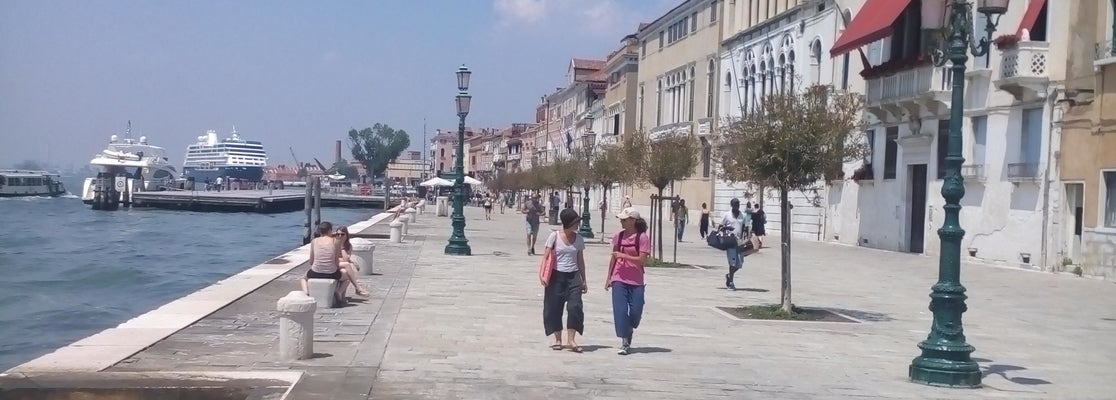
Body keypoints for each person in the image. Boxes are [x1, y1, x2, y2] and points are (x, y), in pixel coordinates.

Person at [540, 208, 588, 353]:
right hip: (556, 276)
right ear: (568, 223)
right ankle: (558, 340)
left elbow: (580, 260)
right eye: (575, 222)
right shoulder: (554, 237)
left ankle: (571, 340)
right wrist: (542, 275)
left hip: (573, 277)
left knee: (575, 307)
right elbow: (546, 257)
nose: (577, 225)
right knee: (554, 308)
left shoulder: (579, 239)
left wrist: (584, 279)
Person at [605, 207, 650, 355]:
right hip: (619, 277)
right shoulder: (618, 236)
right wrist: (609, 277)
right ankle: (625, 342)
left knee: (636, 313)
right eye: (621, 219)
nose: (621, 222)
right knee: (620, 310)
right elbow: (613, 257)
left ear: (633, 221)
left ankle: (629, 329)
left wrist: (623, 256)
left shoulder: (642, 237)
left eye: (624, 220)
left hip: (636, 280)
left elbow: (642, 261)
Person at [300, 222, 351, 303]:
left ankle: (306, 293)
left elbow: (311, 261)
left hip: (315, 272)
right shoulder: (335, 241)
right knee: (347, 277)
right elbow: (336, 261)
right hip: (331, 273)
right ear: (330, 230)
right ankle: (339, 292)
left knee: (303, 278)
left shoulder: (314, 241)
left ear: (320, 231)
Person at [719, 199, 753, 290]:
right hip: (730, 242)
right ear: (731, 205)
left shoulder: (743, 215)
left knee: (740, 263)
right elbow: (720, 227)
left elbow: (745, 227)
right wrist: (726, 227)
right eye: (735, 204)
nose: (736, 206)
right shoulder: (727, 215)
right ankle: (731, 282)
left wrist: (747, 235)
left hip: (740, 242)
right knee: (732, 263)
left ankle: (729, 275)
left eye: (738, 204)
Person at [335, 227, 371, 297]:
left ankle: (341, 294)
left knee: (346, 273)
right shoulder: (334, 244)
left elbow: (345, 259)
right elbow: (345, 260)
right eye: (338, 234)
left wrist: (342, 246)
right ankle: (357, 288)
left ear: (346, 235)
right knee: (349, 271)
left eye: (342, 234)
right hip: (336, 265)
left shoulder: (348, 246)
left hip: (342, 265)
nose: (340, 236)